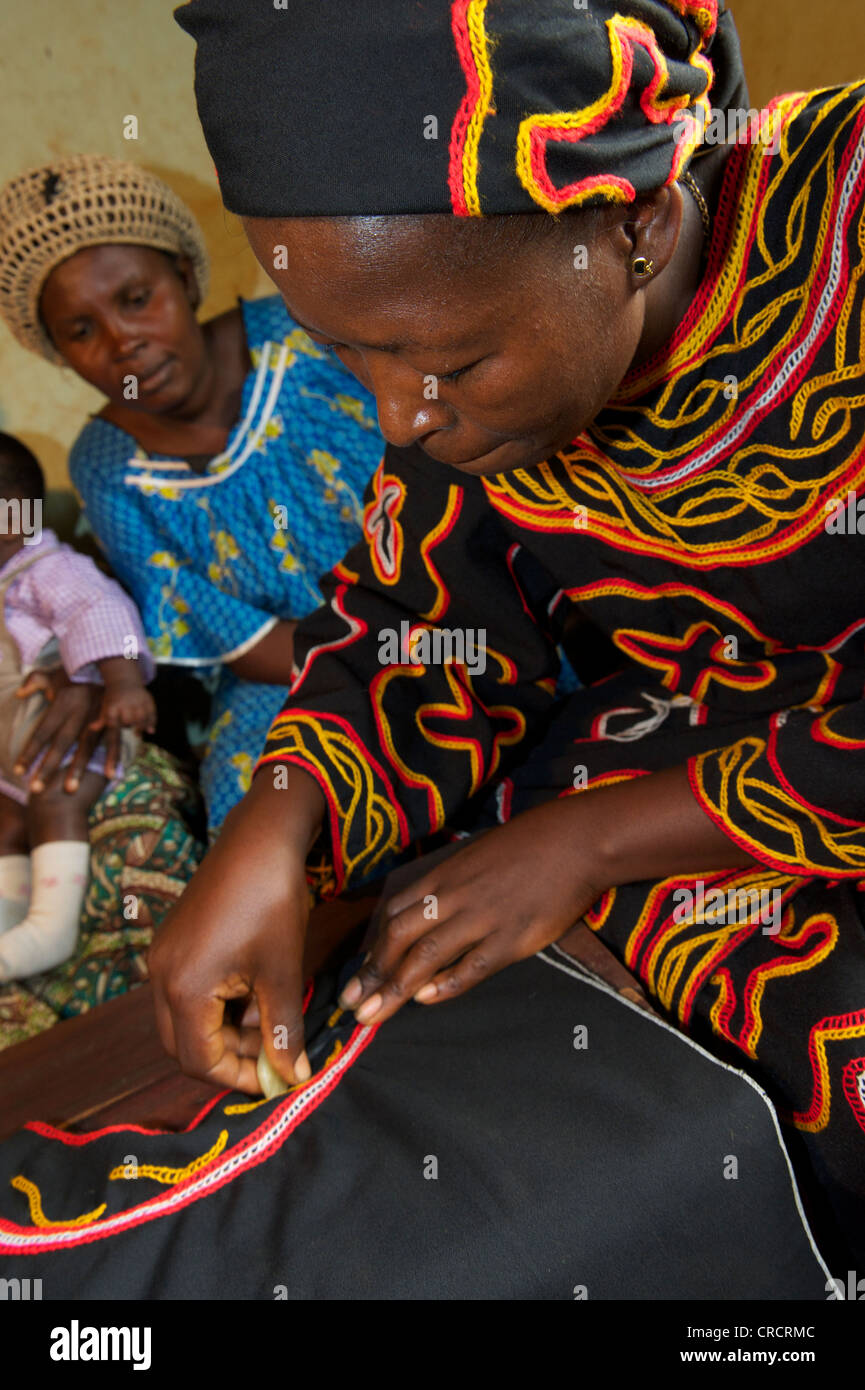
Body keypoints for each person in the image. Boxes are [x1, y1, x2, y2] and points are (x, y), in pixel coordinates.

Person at [0, 156, 385, 835]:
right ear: (59, 353)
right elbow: (226, 632)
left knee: (489, 694)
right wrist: (359, 664)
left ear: (181, 275)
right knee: (246, 801)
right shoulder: (108, 466)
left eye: (136, 299)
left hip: (441, 613)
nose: (123, 344)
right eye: (81, 332)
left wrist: (406, 649)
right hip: (281, 673)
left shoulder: (310, 335)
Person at [0, 432, 155, 979]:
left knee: (55, 804)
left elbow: (100, 611)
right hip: (15, 753)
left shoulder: (49, 571)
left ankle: (50, 931)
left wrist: (122, 685)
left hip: (79, 730)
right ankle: (9, 921)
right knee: (8, 822)